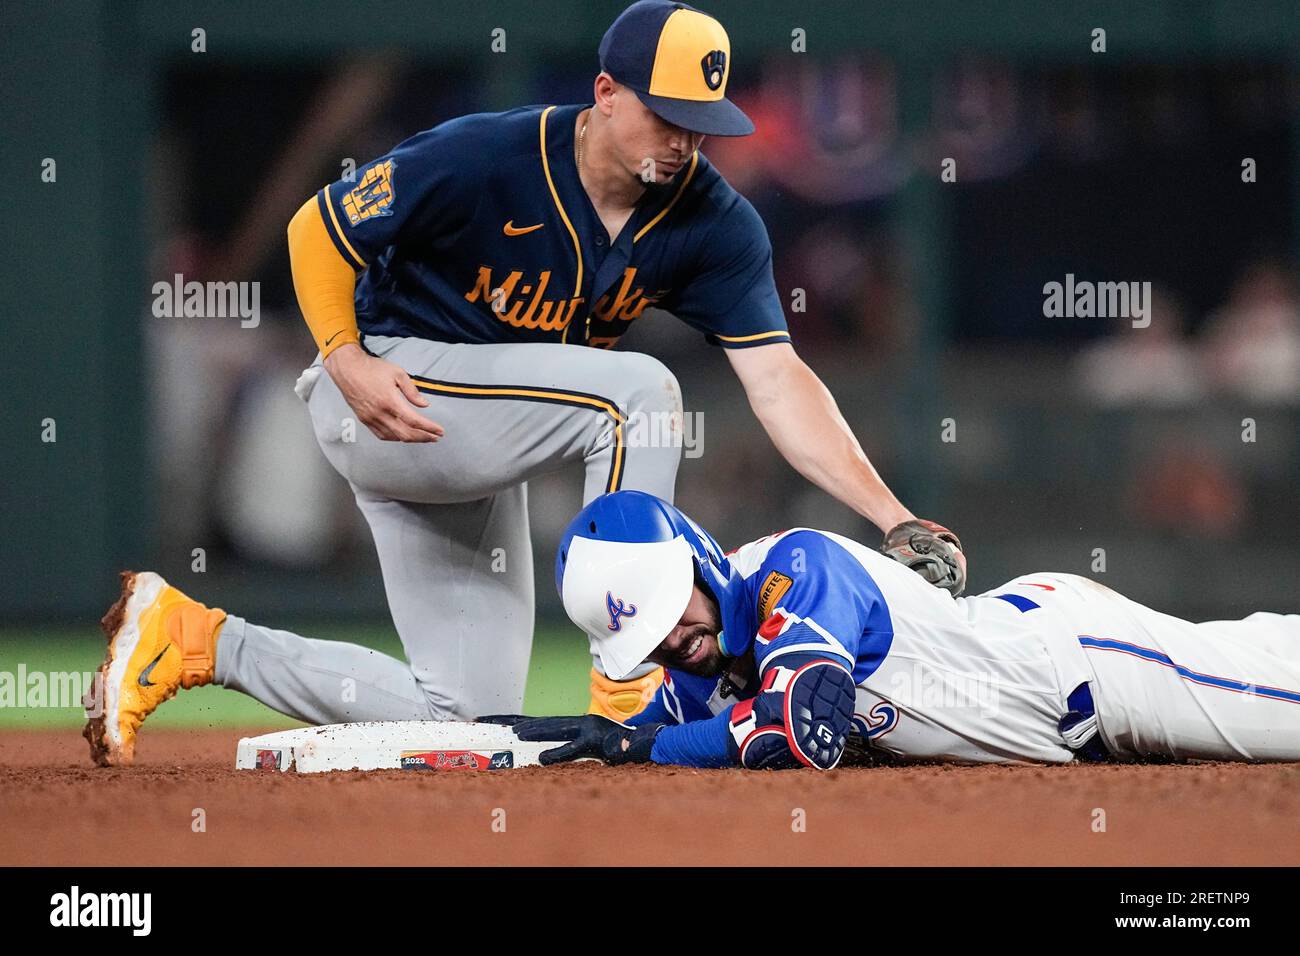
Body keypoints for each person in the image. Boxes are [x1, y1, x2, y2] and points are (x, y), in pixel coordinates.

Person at [83, 1, 964, 768]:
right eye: (665, 114)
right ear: (607, 93)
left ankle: (195, 640)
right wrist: (346, 358)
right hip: (382, 387)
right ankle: (627, 692)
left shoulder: (711, 221)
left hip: (472, 441)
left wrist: (893, 515)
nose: (685, 139)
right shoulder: (487, 155)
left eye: (701, 120)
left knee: (473, 724)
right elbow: (319, 226)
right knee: (640, 397)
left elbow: (778, 380)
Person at [506, 490, 1300, 768]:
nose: (671, 643)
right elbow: (634, 740)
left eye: (669, 612)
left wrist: (641, 746)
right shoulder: (698, 652)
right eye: (645, 641)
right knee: (1260, 649)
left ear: (702, 565)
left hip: (1086, 665)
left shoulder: (796, 569)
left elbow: (791, 733)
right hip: (1060, 717)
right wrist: (550, 743)